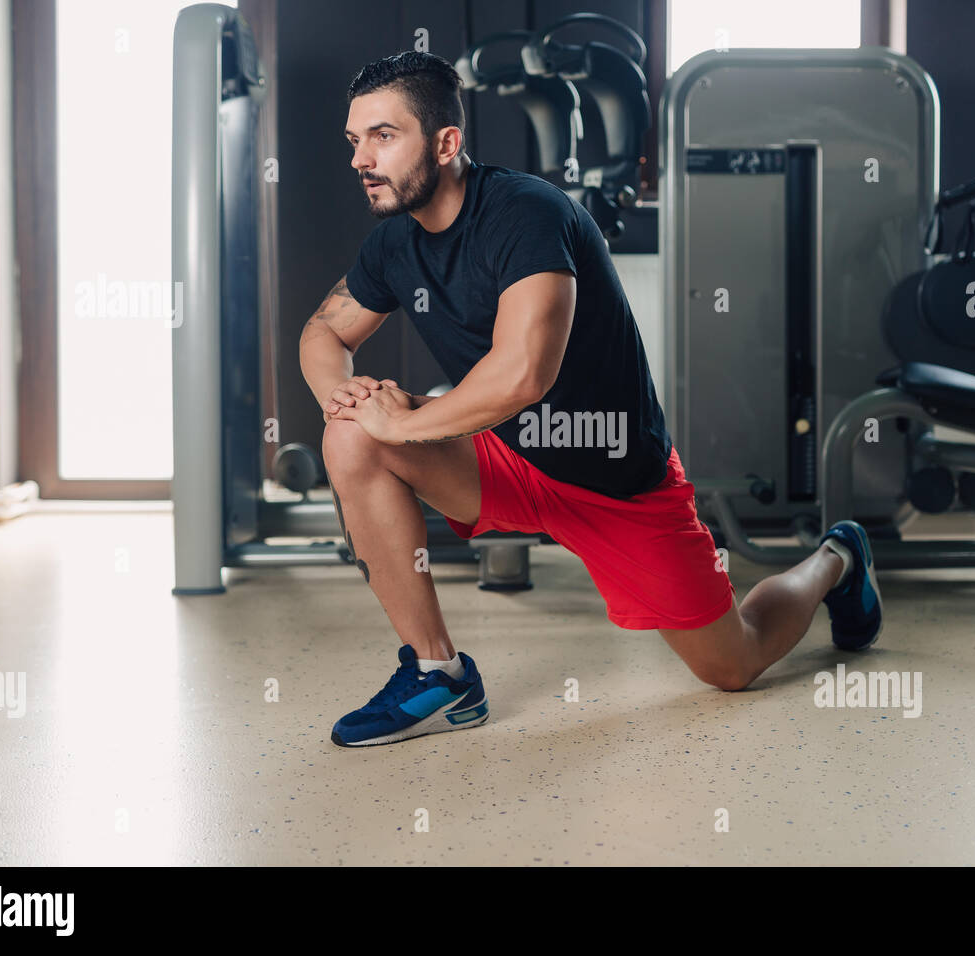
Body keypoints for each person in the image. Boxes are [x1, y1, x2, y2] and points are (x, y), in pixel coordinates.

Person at [299, 51, 883, 748]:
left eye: (383, 136)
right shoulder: (393, 244)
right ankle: (440, 673)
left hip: (615, 478)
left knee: (734, 664)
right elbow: (322, 332)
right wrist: (350, 399)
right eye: (354, 140)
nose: (362, 158)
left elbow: (523, 376)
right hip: (506, 454)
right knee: (352, 436)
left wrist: (404, 420)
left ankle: (837, 559)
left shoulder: (528, 215)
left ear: (446, 142)